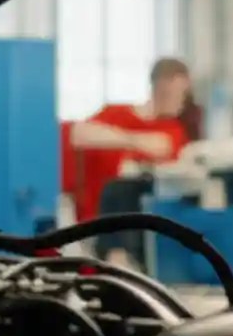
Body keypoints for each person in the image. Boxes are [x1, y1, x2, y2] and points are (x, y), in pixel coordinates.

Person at [64, 57, 203, 267]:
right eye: (179, 93)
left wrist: (114, 139)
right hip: (90, 225)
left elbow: (161, 147)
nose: (182, 101)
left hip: (138, 235)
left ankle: (118, 253)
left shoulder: (173, 131)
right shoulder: (115, 113)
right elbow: (77, 134)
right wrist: (133, 140)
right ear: (163, 86)